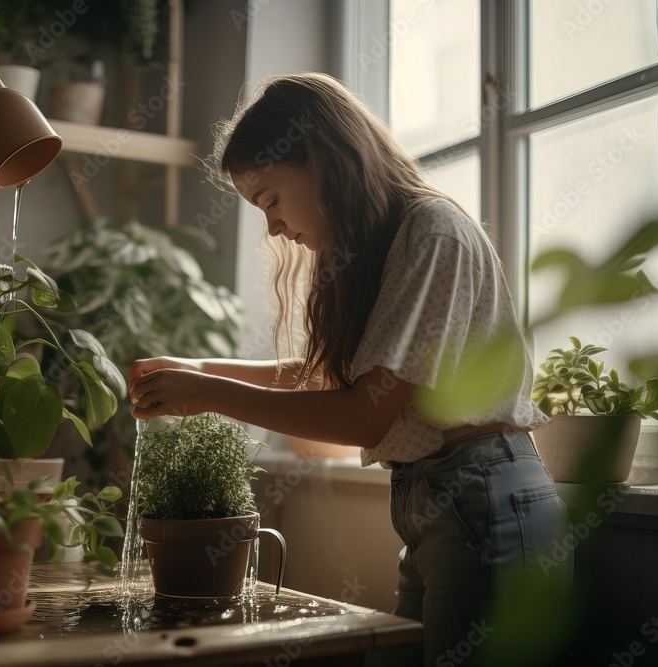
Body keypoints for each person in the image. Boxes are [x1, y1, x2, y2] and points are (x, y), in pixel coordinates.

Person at [127, 73, 573, 666]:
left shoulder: (431, 231)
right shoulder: (391, 241)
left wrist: (207, 391)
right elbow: (333, 382)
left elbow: (365, 413)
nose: (275, 229)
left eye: (271, 202)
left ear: (321, 160)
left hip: (483, 501)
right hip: (444, 502)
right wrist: (199, 367)